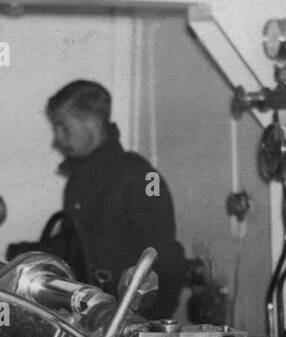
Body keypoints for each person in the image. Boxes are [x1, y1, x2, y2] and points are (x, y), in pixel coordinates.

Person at [17, 80, 186, 319]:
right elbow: (77, 247)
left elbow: (162, 258)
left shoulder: (142, 175)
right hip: (91, 315)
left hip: (126, 321)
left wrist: (142, 325)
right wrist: (21, 255)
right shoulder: (79, 181)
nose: (57, 139)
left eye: (63, 126)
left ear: (92, 122)